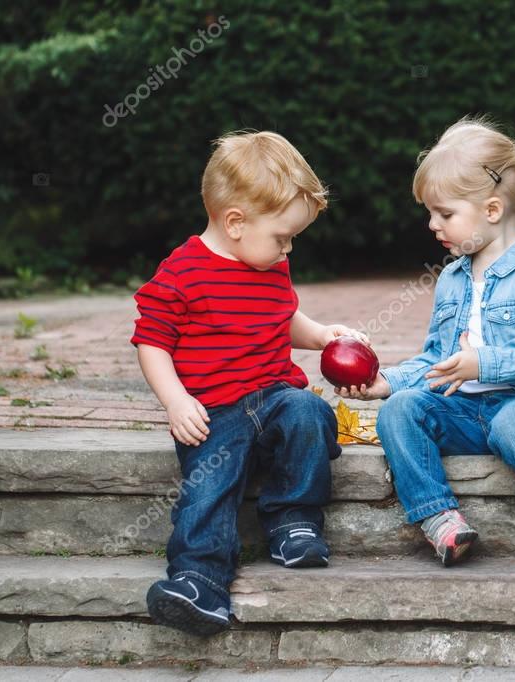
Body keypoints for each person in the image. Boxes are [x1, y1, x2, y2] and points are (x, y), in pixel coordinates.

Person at [336, 116, 515, 572]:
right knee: (400, 411)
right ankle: (440, 517)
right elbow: (437, 359)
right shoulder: (452, 278)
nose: (432, 224)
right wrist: (388, 383)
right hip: (465, 412)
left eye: (445, 214)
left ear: (492, 210)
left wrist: (483, 362)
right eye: (431, 213)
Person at [132, 130, 369, 635]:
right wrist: (176, 402)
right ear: (235, 223)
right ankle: (199, 579)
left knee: (310, 412)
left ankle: (294, 520)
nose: (288, 249)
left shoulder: (270, 266)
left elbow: (282, 317)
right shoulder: (182, 273)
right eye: (282, 237)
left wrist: (322, 335)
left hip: (274, 396)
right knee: (208, 487)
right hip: (212, 410)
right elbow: (151, 342)